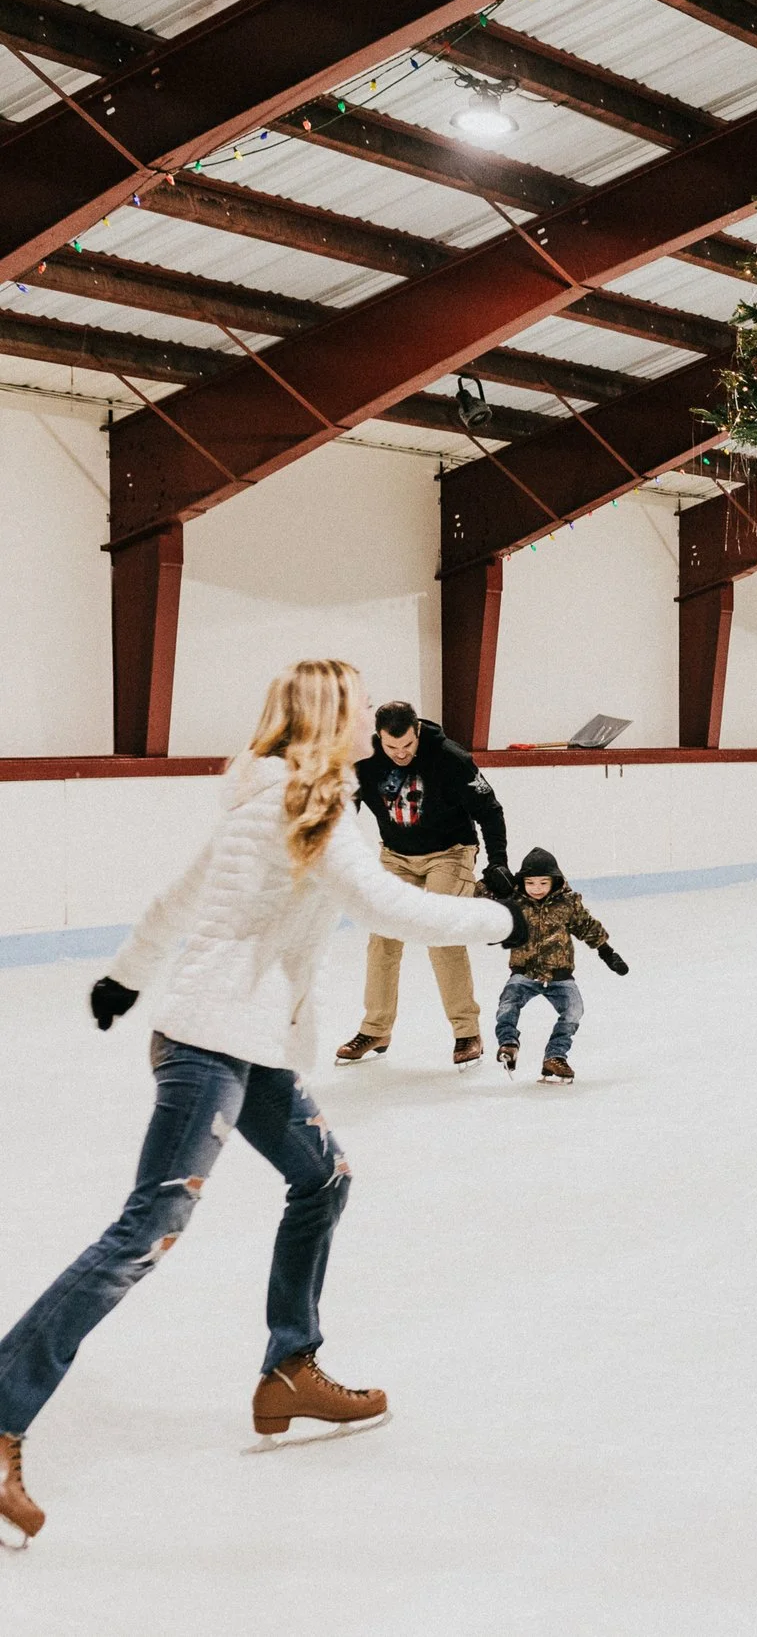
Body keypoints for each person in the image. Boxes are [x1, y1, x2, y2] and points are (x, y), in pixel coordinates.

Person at [0, 661, 523, 1549]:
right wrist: (499, 920)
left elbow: (175, 901)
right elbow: (390, 906)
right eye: (359, 702)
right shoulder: (312, 809)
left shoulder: (268, 800)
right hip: (212, 1044)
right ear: (331, 716)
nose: (371, 714)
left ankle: (290, 1365)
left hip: (242, 1043)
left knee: (323, 1178)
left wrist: (125, 976)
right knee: (146, 1231)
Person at [334, 701, 512, 1070]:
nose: (401, 754)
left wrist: (498, 862)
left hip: (450, 852)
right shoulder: (364, 759)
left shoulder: (450, 758)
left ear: (416, 731)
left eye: (408, 746)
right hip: (396, 856)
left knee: (440, 933)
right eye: (392, 747)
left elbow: (489, 810)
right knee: (382, 938)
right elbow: (345, 812)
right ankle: (376, 1029)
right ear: (379, 738)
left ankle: (467, 1032)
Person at [494, 847, 628, 1084]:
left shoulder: (567, 904)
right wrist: (490, 878)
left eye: (543, 883)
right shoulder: (514, 901)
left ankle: (555, 1056)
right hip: (524, 973)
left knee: (574, 1010)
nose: (537, 888)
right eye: (530, 883)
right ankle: (508, 1044)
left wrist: (608, 953)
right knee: (508, 1003)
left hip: (560, 976)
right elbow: (482, 904)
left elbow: (587, 927)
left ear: (554, 881)